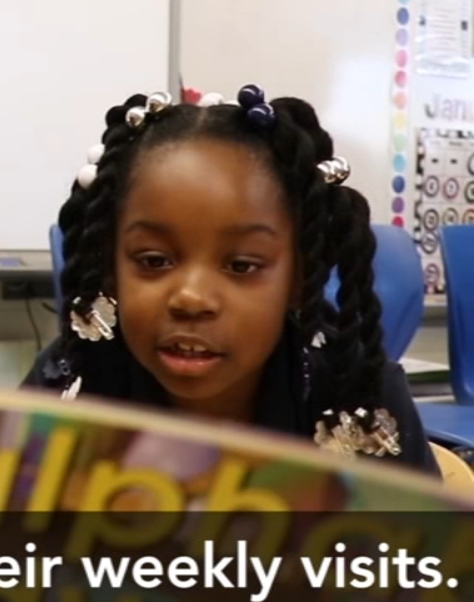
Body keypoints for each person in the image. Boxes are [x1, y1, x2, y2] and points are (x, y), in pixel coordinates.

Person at [23, 87, 439, 477]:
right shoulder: (69, 381)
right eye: (153, 260)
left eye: (241, 266)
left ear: (298, 279)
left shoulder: (360, 397)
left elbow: (425, 550)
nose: (191, 297)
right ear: (111, 269)